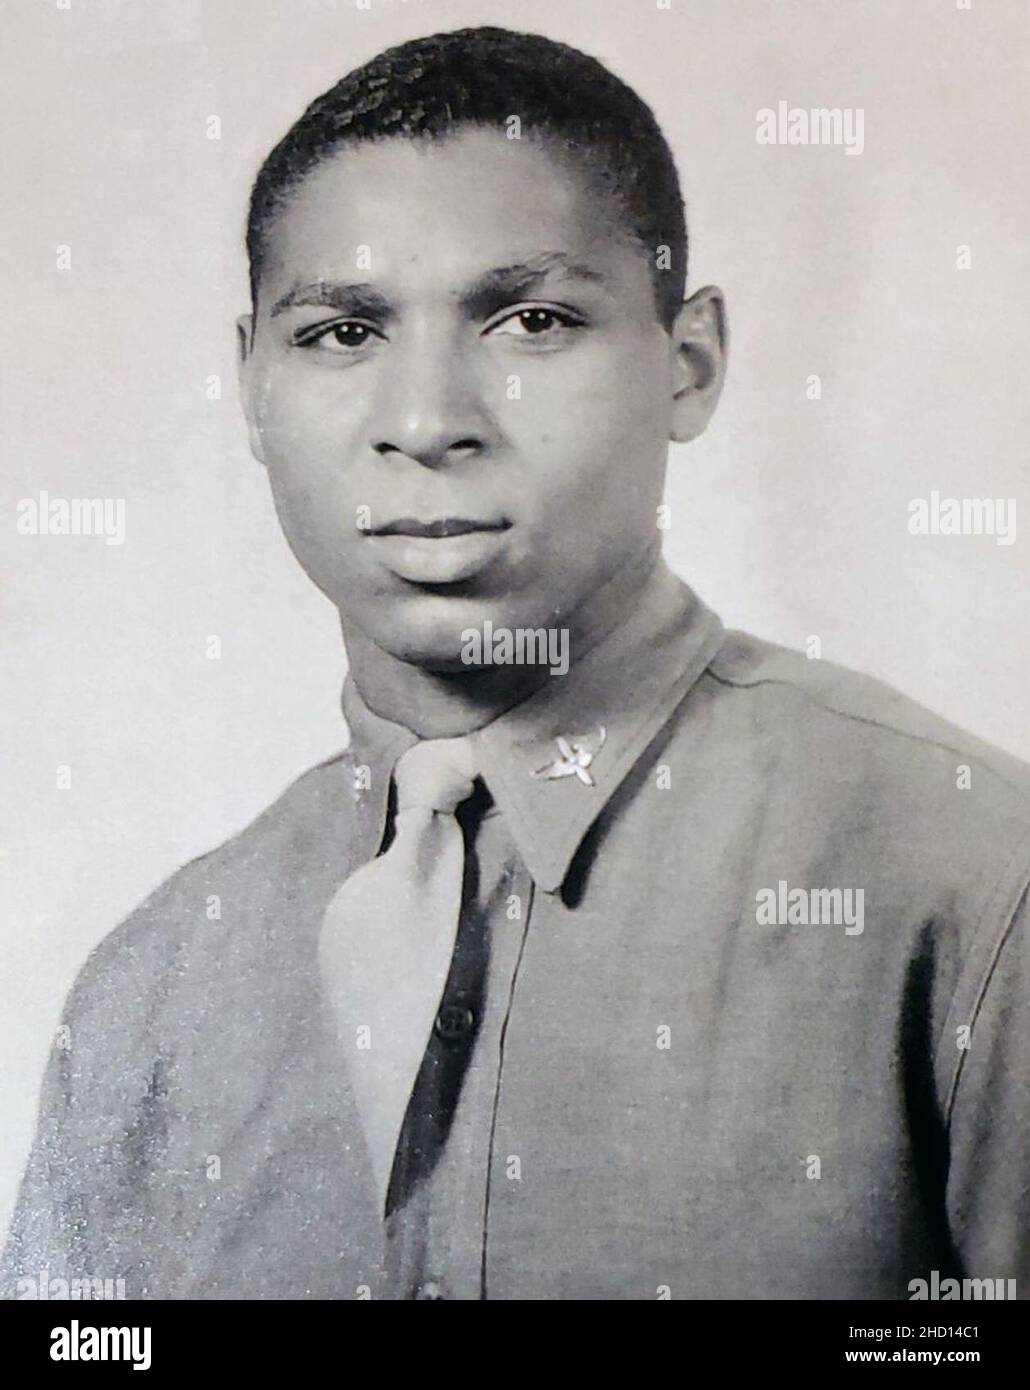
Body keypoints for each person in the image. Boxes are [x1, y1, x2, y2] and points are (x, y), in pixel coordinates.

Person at [4, 25, 1029, 1301]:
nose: (428, 421)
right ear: (250, 386)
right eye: (340, 332)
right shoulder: (144, 1001)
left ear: (690, 362)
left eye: (532, 319)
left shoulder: (975, 887)